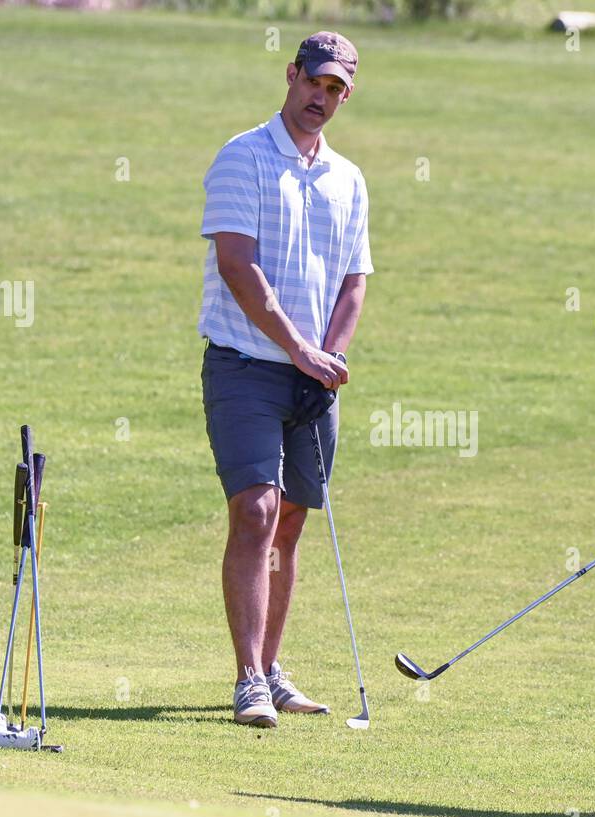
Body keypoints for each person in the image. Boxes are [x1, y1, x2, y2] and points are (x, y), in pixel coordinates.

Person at [198, 32, 372, 728]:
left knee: (293, 521)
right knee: (257, 511)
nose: (320, 99)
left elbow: (355, 281)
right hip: (245, 366)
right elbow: (239, 268)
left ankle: (272, 668)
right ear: (291, 74)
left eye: (336, 91)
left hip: (311, 377)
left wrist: (327, 358)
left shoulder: (347, 178)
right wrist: (299, 349)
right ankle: (246, 680)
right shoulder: (243, 156)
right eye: (314, 83)